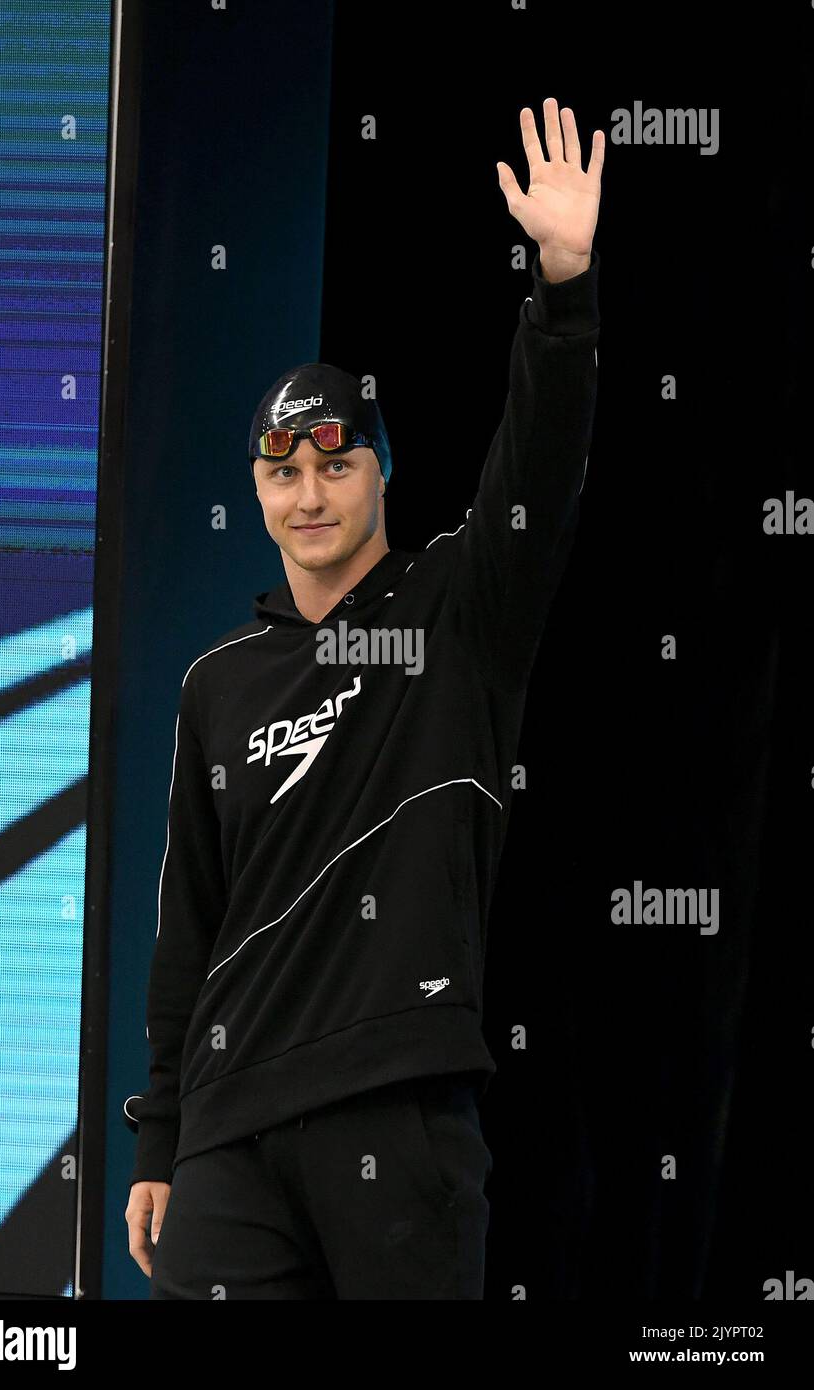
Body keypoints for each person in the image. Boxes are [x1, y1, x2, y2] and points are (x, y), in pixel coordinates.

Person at [124, 98, 604, 1299]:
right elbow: (188, 934)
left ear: (380, 468)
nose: (309, 495)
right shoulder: (215, 686)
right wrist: (159, 1135)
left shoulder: (458, 607)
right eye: (282, 473)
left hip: (396, 1107)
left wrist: (562, 286)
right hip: (228, 1138)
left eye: (337, 464)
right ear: (257, 488)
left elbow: (537, 467)